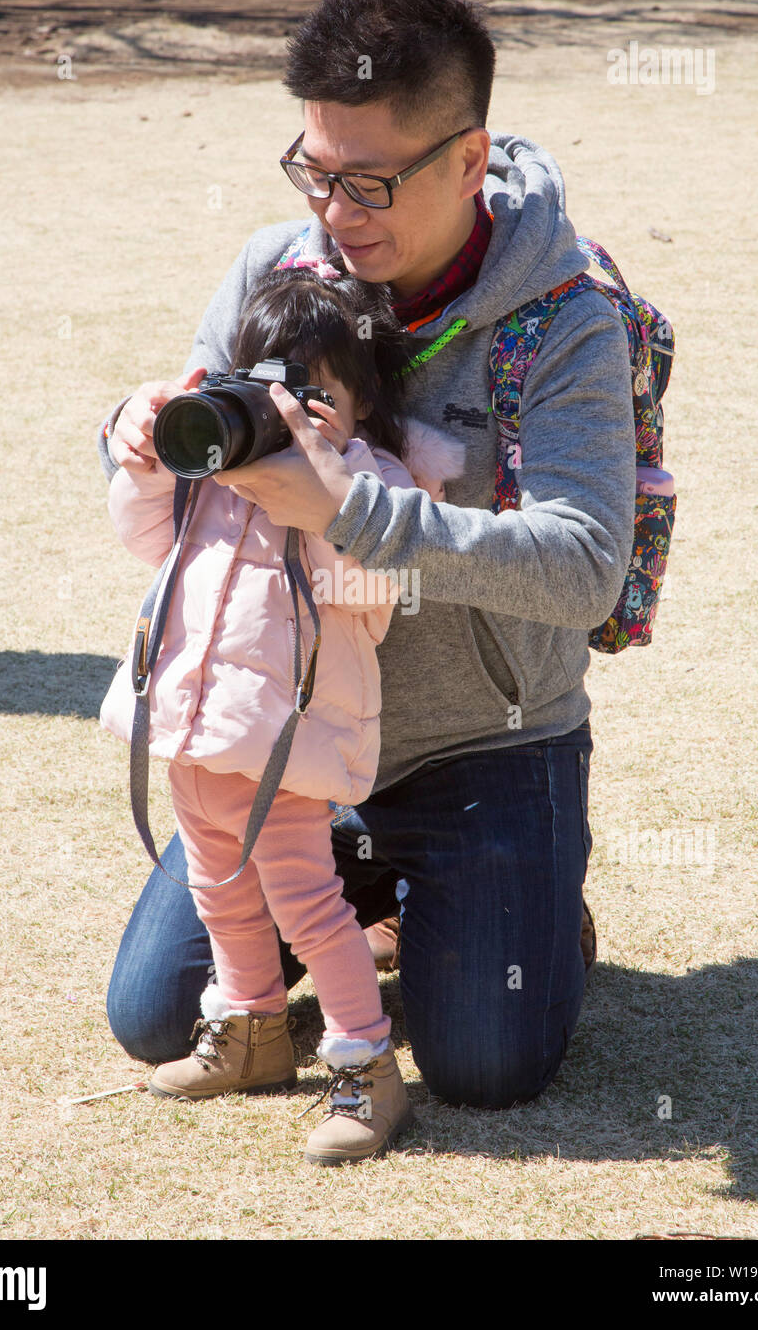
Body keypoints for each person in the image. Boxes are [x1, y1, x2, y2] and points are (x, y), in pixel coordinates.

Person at [98, 0, 635, 1119]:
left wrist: (349, 508)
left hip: (484, 749)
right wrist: (138, 440)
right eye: (314, 170)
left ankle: (531, 907)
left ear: (468, 157)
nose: (332, 214)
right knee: (150, 1011)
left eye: (370, 182)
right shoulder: (274, 267)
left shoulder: (565, 317)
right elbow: (198, 467)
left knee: (483, 1066)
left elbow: (587, 563)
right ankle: (380, 901)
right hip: (286, 744)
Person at [100, 257, 468, 1163]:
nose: (287, 407)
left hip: (287, 747)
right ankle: (255, 1030)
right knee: (219, 890)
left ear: (359, 405)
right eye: (265, 386)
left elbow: (372, 595)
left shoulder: (366, 481)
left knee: (307, 905)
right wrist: (149, 462)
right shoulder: (214, 475)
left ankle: (365, 1065)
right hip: (197, 729)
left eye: (315, 393)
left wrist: (317, 488)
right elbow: (146, 542)